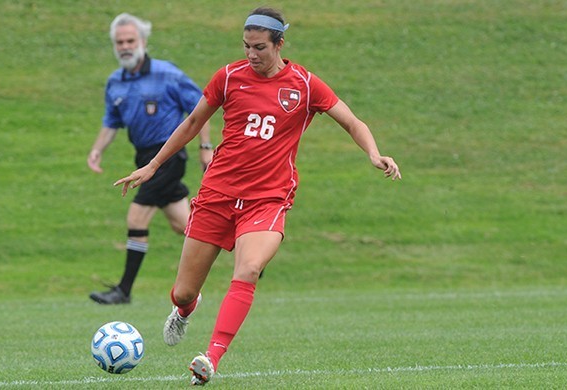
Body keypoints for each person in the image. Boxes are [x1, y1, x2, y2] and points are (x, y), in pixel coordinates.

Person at [114, 7, 401, 385]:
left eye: (260, 47)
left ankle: (211, 357)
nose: (252, 54)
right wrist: (152, 166)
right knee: (184, 292)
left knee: (248, 269)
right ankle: (185, 311)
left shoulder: (306, 84)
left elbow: (351, 121)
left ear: (280, 44)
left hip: (268, 199)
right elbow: (193, 122)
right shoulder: (229, 76)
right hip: (217, 194)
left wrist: (373, 152)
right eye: (246, 46)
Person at [87, 13, 213, 305]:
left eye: (130, 40)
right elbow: (111, 121)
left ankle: (124, 290)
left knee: (137, 216)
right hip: (143, 156)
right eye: (119, 42)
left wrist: (205, 145)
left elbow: (201, 106)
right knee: (186, 226)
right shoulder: (115, 82)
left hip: (167, 155)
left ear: (142, 42)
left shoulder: (167, 74)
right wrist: (97, 149)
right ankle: (247, 254)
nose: (125, 47)